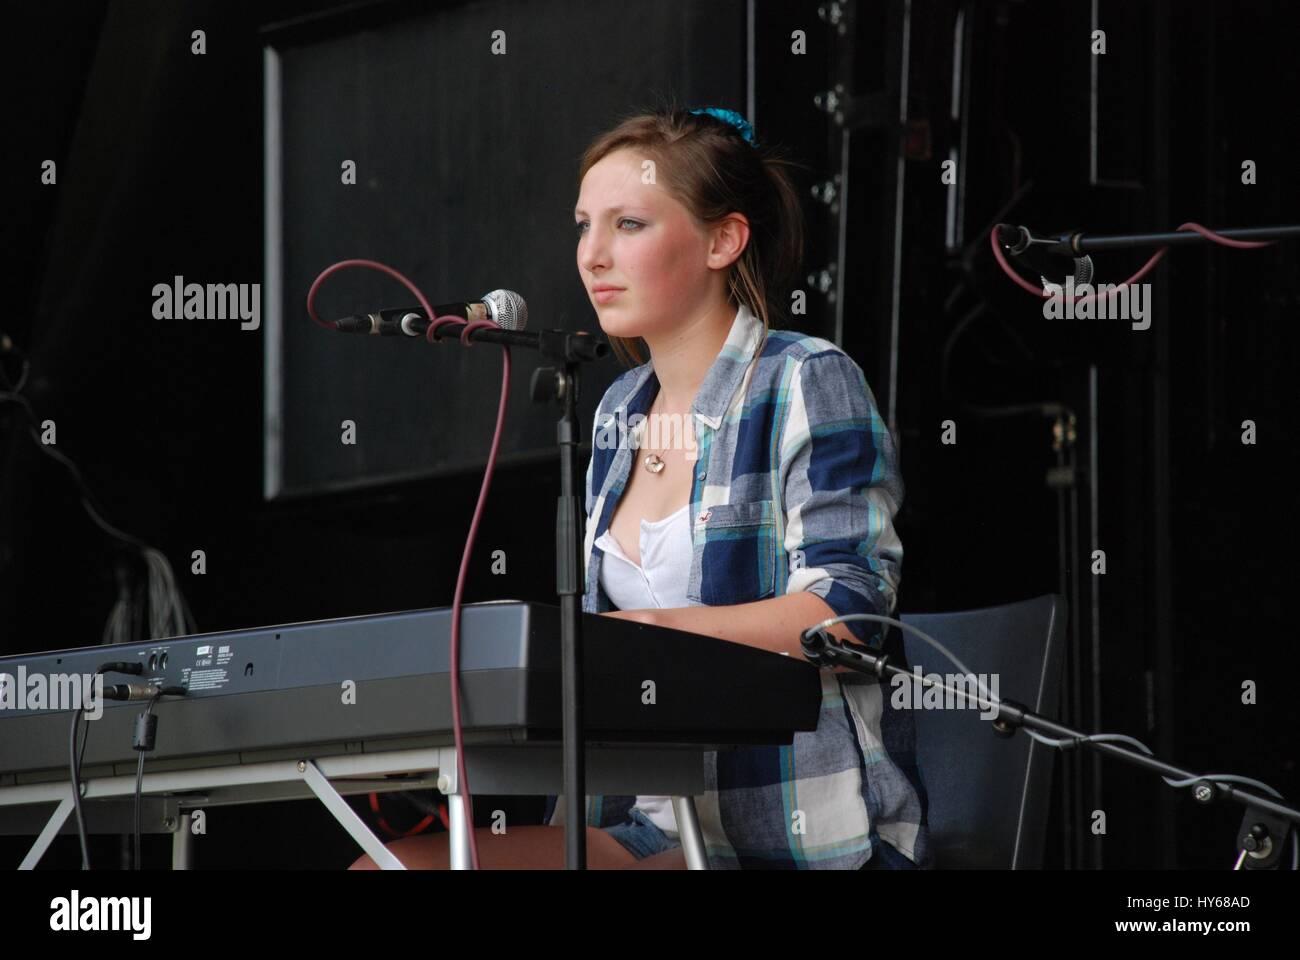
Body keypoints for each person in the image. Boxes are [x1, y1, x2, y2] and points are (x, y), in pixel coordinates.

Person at [351, 103, 927, 870]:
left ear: (724, 239)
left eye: (628, 225)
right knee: (386, 869)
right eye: (583, 225)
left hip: (790, 831)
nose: (592, 255)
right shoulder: (621, 407)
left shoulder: (805, 377)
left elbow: (850, 612)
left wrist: (655, 632)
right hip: (644, 822)